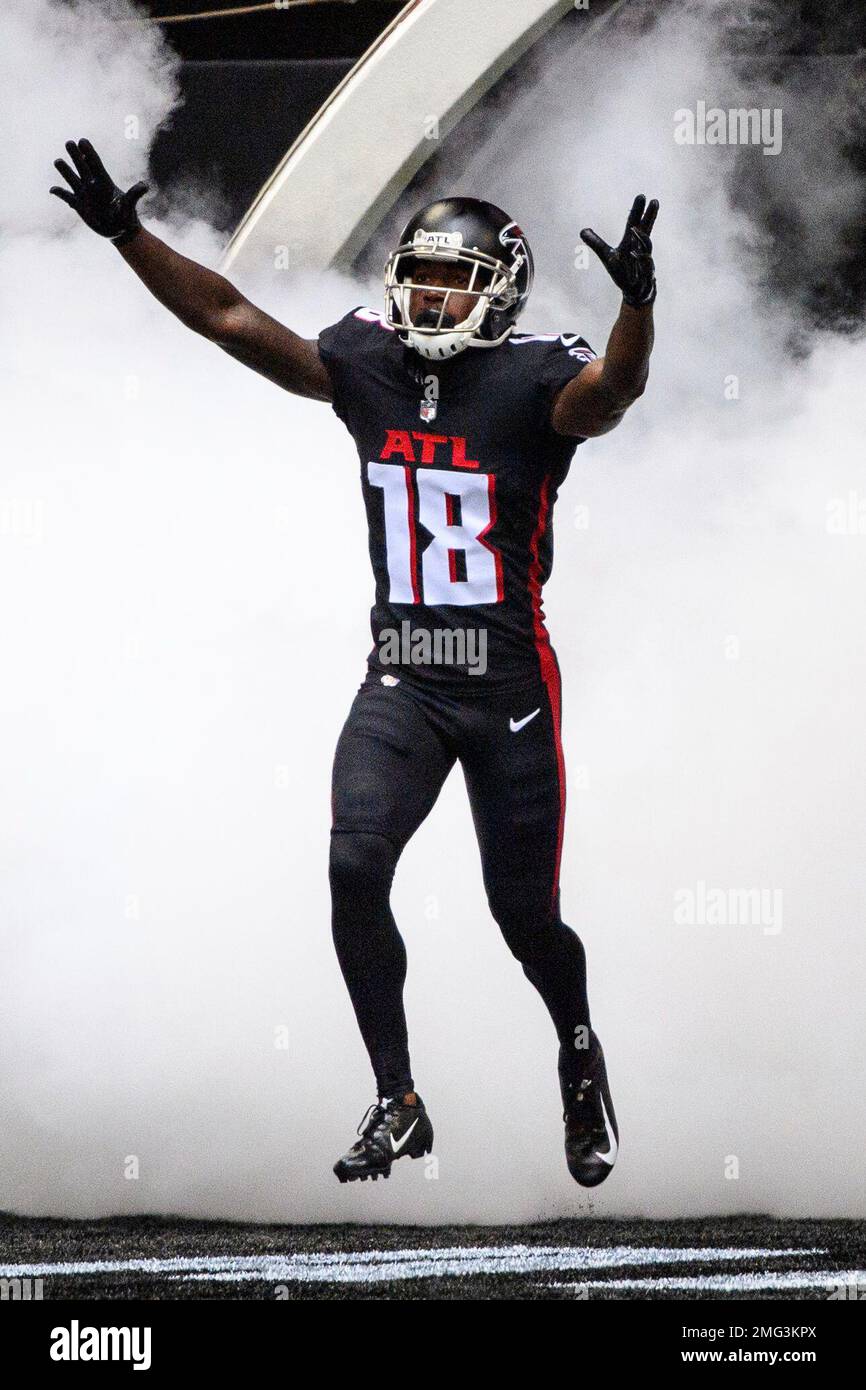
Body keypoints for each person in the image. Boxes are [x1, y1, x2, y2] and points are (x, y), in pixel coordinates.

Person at [51, 138, 658, 1188]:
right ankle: (397, 1097)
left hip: (507, 682)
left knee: (523, 919)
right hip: (405, 676)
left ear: (498, 292)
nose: (427, 298)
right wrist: (126, 237)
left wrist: (637, 308)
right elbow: (229, 319)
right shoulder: (368, 363)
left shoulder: (530, 378)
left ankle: (574, 1049)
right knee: (350, 863)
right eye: (417, 276)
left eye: (450, 281)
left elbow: (607, 395)